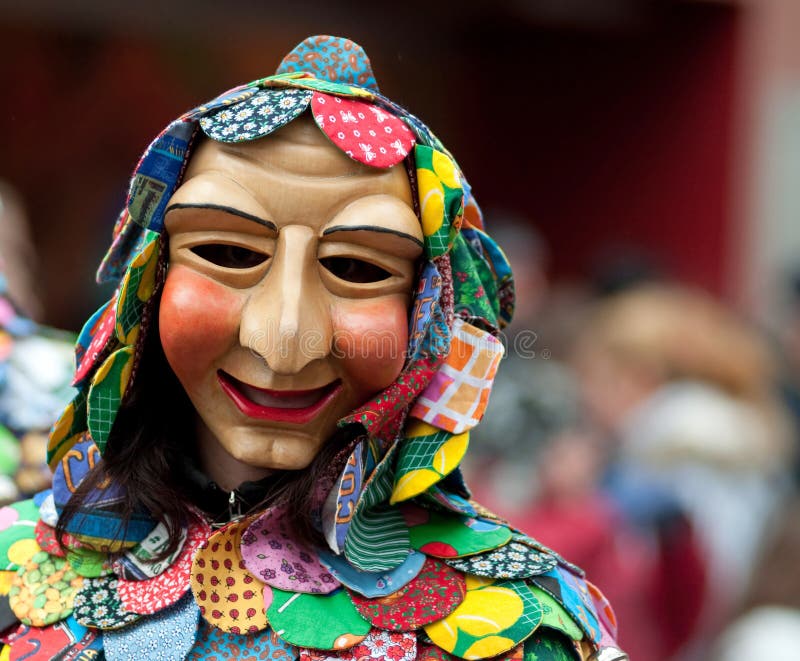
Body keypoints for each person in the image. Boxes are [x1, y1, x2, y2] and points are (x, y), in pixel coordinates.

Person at [0, 36, 625, 660]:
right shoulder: (14, 569)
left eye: (356, 269)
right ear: (150, 282)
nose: (283, 343)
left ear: (429, 314)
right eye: (228, 253)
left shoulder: (520, 628)